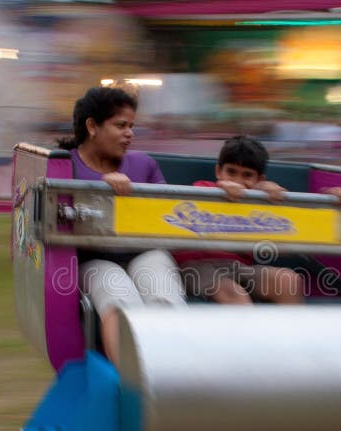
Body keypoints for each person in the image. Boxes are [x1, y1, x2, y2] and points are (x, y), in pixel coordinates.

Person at [58, 86, 186, 364]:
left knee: (163, 293)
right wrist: (98, 191)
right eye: (120, 125)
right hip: (93, 257)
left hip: (143, 250)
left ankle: (173, 372)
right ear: (92, 126)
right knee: (118, 298)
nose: (130, 133)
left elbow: (166, 212)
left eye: (132, 126)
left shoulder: (144, 164)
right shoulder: (65, 167)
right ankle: (131, 381)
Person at [174, 135, 305, 305]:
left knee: (288, 280)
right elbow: (192, 206)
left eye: (247, 175)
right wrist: (223, 188)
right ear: (218, 172)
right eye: (231, 172)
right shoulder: (204, 189)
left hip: (238, 266)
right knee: (235, 293)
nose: (237, 181)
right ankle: (253, 332)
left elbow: (285, 233)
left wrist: (269, 196)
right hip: (197, 266)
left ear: (259, 180)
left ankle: (291, 331)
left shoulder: (258, 203)